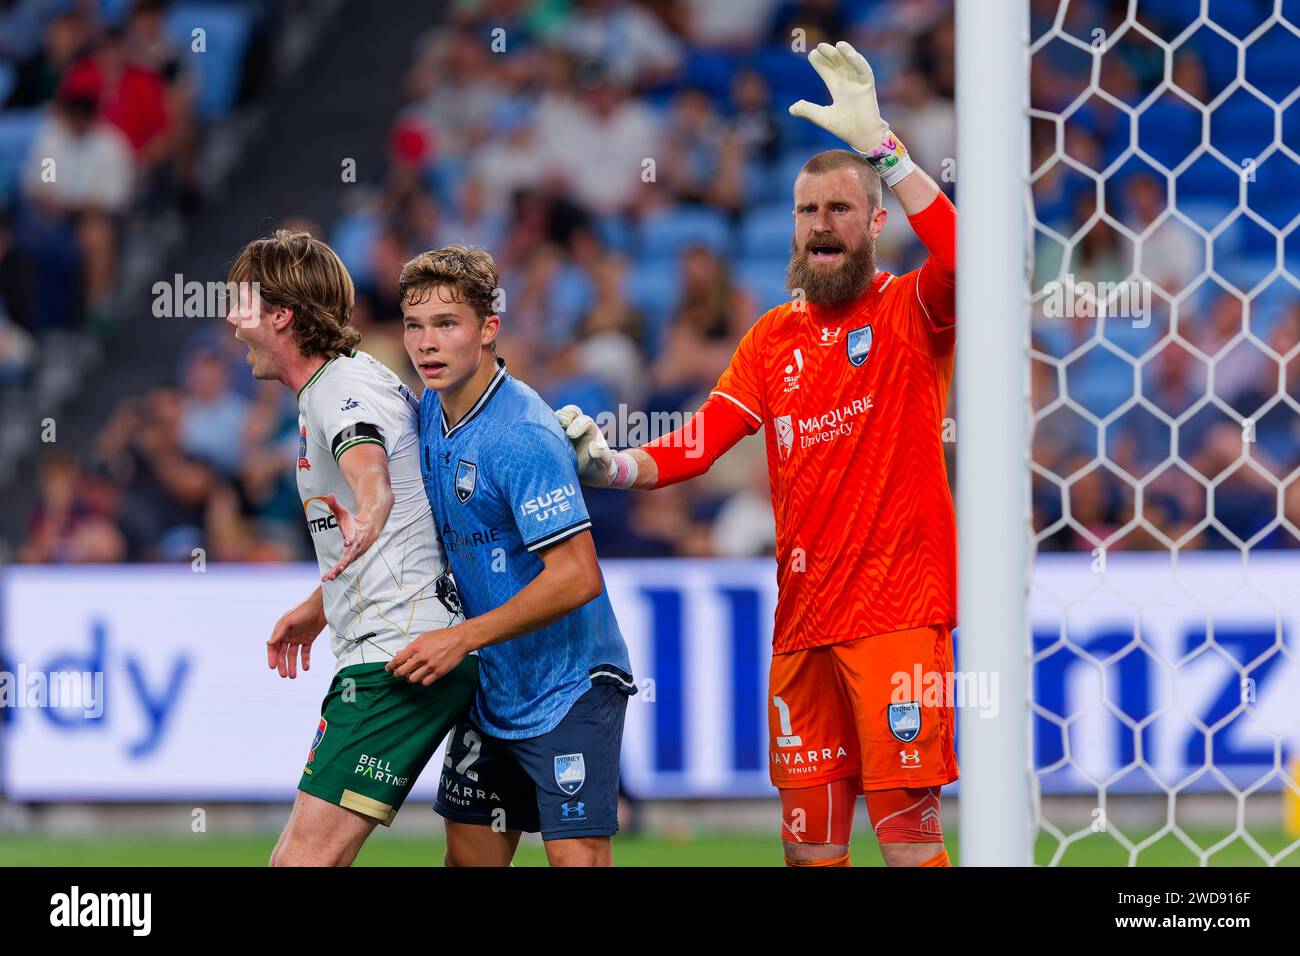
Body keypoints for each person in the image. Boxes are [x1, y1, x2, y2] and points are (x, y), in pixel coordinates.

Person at [558, 42, 959, 867]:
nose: (822, 225)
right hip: (802, 625)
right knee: (810, 853)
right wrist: (615, 467)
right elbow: (703, 441)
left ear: (876, 223)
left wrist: (887, 150)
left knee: (908, 846)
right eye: (808, 210)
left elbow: (965, 257)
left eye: (841, 210)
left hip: (897, 616)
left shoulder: (909, 312)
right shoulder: (771, 338)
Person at [223, 230, 473, 866]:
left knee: (301, 863)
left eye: (243, 305)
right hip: (412, 640)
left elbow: (369, 471)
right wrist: (321, 602)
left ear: (281, 315)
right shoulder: (341, 383)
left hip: (396, 659)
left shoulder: (340, 392)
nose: (231, 320)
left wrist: (369, 508)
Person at [390, 244, 634, 867]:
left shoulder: (521, 432)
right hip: (493, 685)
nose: (427, 343)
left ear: (488, 328)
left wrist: (461, 638)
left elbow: (577, 576)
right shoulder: (426, 415)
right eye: (414, 326)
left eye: (446, 324)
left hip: (569, 683)